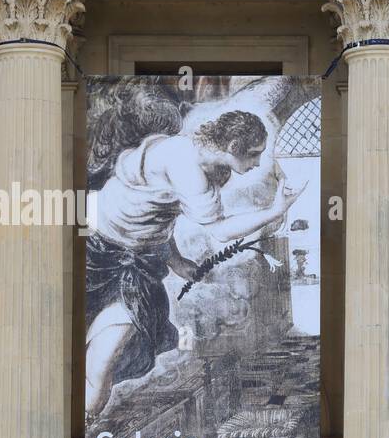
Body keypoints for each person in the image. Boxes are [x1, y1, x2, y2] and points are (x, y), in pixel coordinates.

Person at [85, 109, 303, 418]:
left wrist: (174, 260)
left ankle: (86, 421)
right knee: (86, 359)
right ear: (232, 146)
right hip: (96, 255)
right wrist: (275, 210)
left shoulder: (203, 163)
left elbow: (158, 212)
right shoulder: (184, 161)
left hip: (136, 268)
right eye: (253, 154)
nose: (256, 163)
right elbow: (220, 229)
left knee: (101, 364)